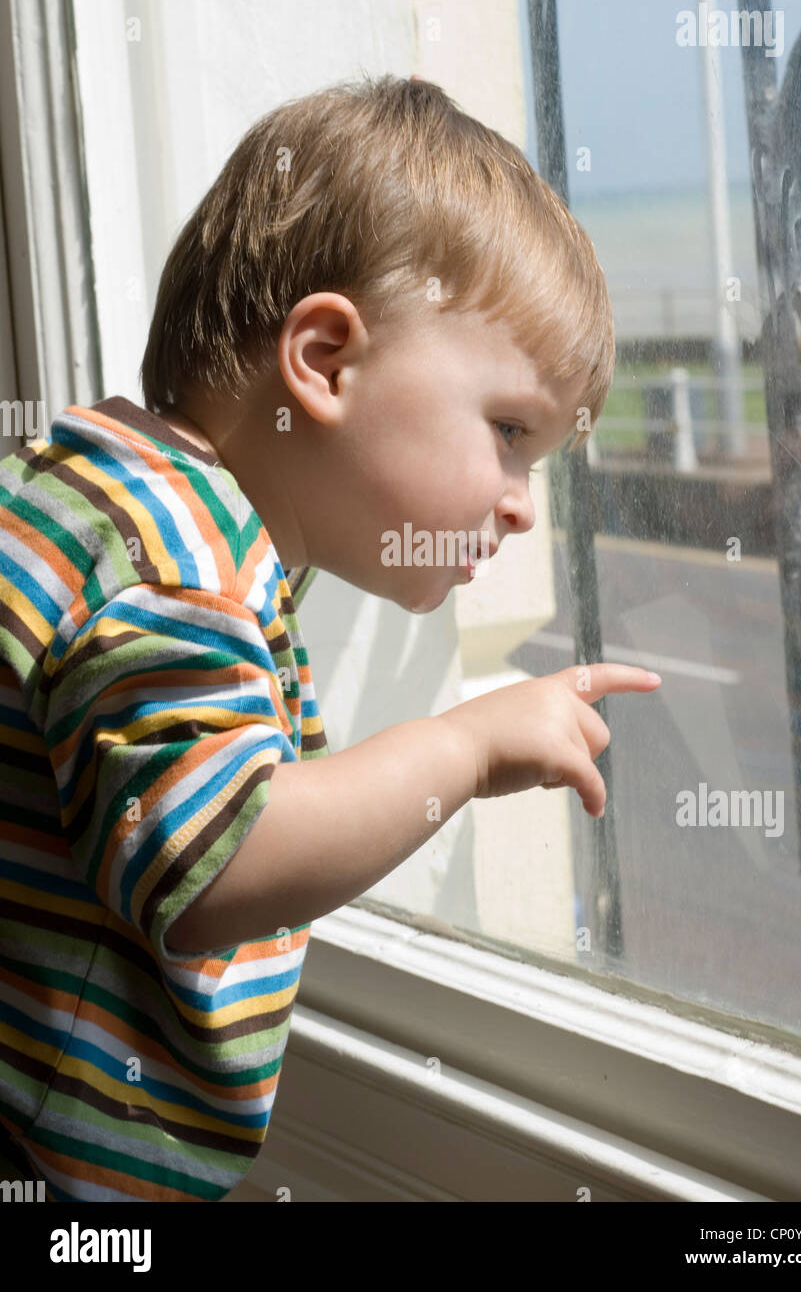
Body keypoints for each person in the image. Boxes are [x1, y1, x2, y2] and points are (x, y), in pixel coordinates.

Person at [0, 74, 661, 1202]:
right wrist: (465, 752)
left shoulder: (104, 490)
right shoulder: (177, 566)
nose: (520, 503)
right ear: (324, 362)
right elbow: (221, 862)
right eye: (507, 432)